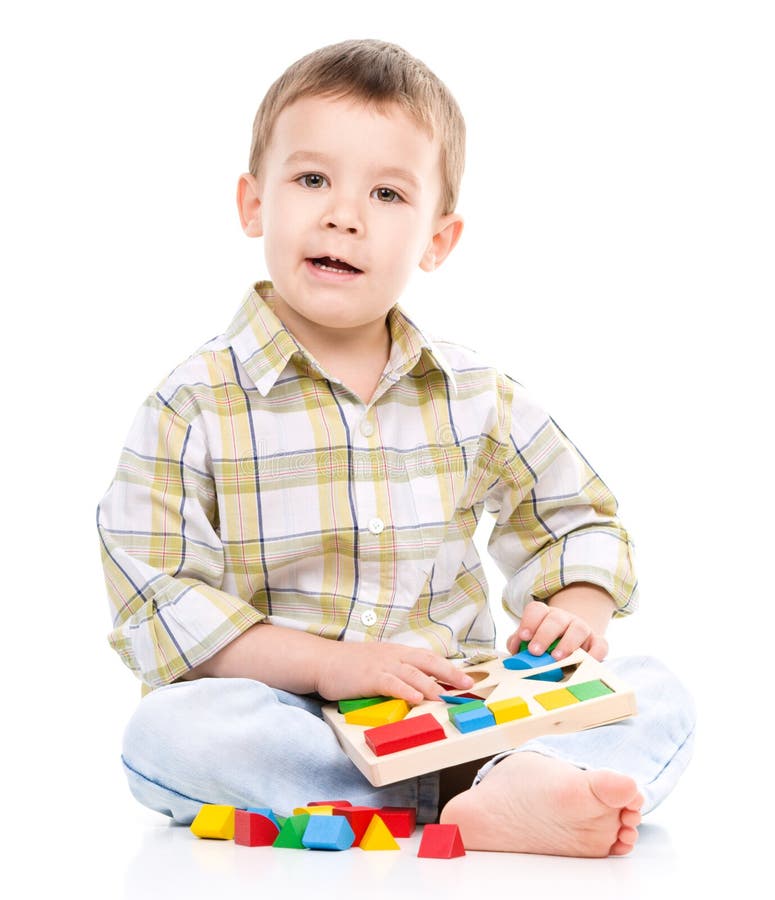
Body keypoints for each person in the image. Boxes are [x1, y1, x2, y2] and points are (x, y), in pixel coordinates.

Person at [97, 38, 695, 857]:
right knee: (167, 731)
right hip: (297, 717)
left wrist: (576, 609)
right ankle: (454, 793)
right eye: (312, 180)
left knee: (657, 692)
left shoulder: (475, 391)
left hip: (464, 705)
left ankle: (505, 774)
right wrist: (327, 667)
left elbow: (575, 514)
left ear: (437, 239)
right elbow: (155, 598)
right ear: (252, 203)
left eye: (386, 192)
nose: (343, 214)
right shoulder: (192, 402)